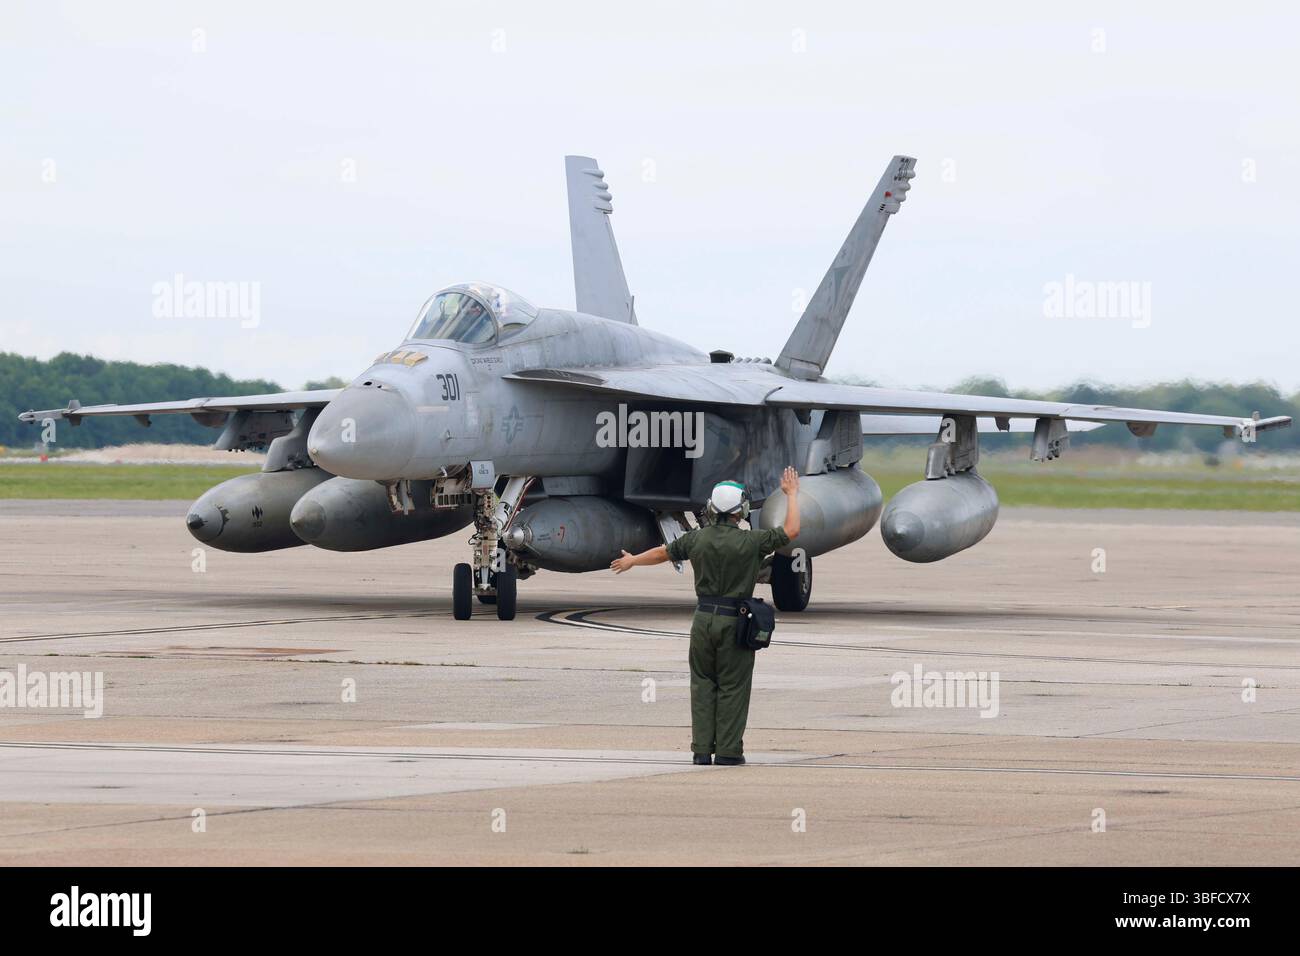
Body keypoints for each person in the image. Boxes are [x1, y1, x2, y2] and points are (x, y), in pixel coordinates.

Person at [611, 466, 801, 766]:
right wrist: (791, 494)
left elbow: (663, 553)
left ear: (712, 508)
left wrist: (633, 560)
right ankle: (728, 752)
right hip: (735, 622)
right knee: (733, 686)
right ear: (741, 510)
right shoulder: (752, 542)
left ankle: (701, 751)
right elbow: (791, 531)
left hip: (702, 620)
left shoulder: (696, 539)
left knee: (702, 684)